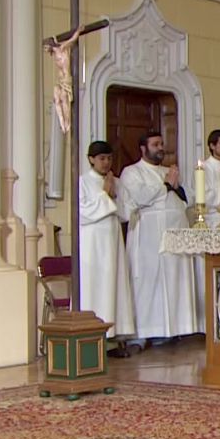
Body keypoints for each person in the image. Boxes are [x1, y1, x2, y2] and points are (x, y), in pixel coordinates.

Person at [118, 132, 202, 343]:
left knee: (177, 279)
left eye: (162, 144)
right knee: (151, 282)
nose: (161, 148)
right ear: (143, 149)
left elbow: (189, 197)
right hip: (149, 237)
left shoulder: (169, 171)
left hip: (176, 232)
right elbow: (141, 197)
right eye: (155, 144)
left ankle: (177, 329)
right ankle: (148, 331)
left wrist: (176, 186)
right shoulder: (131, 172)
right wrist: (166, 186)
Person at [79, 140, 136, 347]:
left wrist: (113, 195)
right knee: (96, 284)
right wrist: (105, 195)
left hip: (112, 239)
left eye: (109, 158)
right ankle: (91, 331)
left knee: (114, 281)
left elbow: (127, 211)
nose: (106, 163)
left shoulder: (117, 181)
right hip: (92, 242)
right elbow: (82, 213)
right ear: (91, 159)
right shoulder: (83, 182)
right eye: (102, 159)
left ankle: (114, 334)